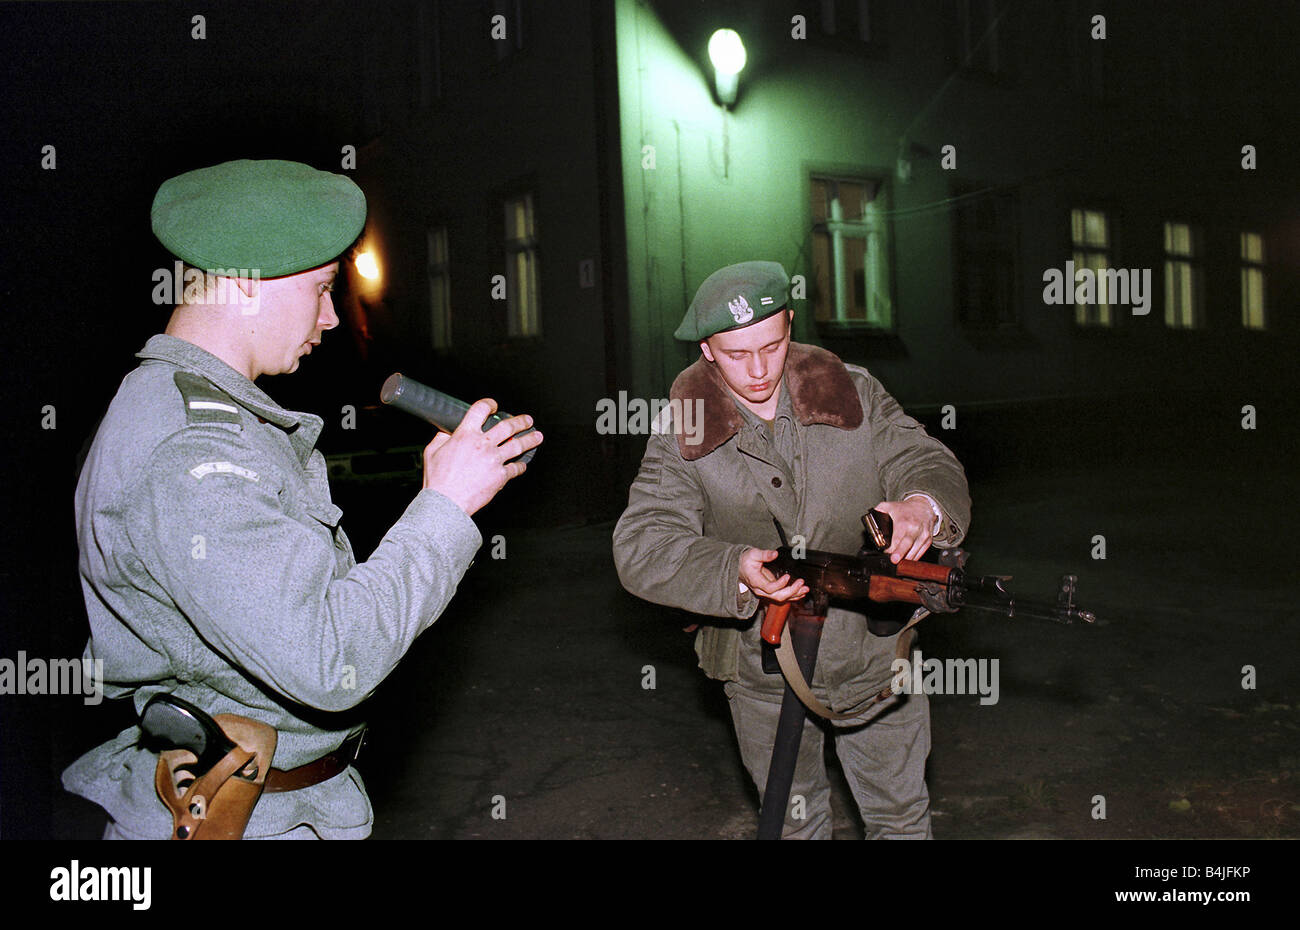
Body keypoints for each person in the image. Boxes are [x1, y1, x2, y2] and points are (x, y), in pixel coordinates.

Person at [63, 158, 542, 839]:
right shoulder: (195, 451)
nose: (331, 316)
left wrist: (445, 487)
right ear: (249, 285)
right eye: (320, 289)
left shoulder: (204, 416)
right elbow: (329, 658)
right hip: (247, 819)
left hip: (274, 803)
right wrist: (445, 506)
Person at [613, 261, 970, 839]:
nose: (757, 370)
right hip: (761, 669)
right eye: (735, 354)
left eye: (772, 346)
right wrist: (733, 568)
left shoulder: (852, 391)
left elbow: (925, 460)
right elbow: (642, 544)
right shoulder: (684, 426)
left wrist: (920, 506)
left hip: (876, 655)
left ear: (790, 323)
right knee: (796, 823)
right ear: (706, 349)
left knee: (901, 821)